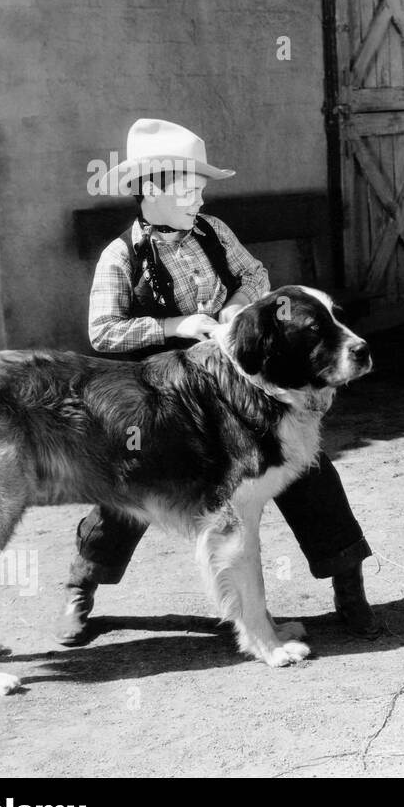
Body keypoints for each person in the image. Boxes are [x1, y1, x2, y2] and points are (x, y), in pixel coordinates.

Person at [55, 118, 379, 645]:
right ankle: (82, 587)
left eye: (202, 189)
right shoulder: (123, 255)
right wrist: (175, 326)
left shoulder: (213, 231)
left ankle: (348, 583)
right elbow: (103, 331)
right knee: (133, 491)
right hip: (168, 397)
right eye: (187, 189)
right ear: (152, 187)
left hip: (234, 379)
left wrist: (232, 310)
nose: (198, 199)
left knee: (308, 473)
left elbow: (255, 277)